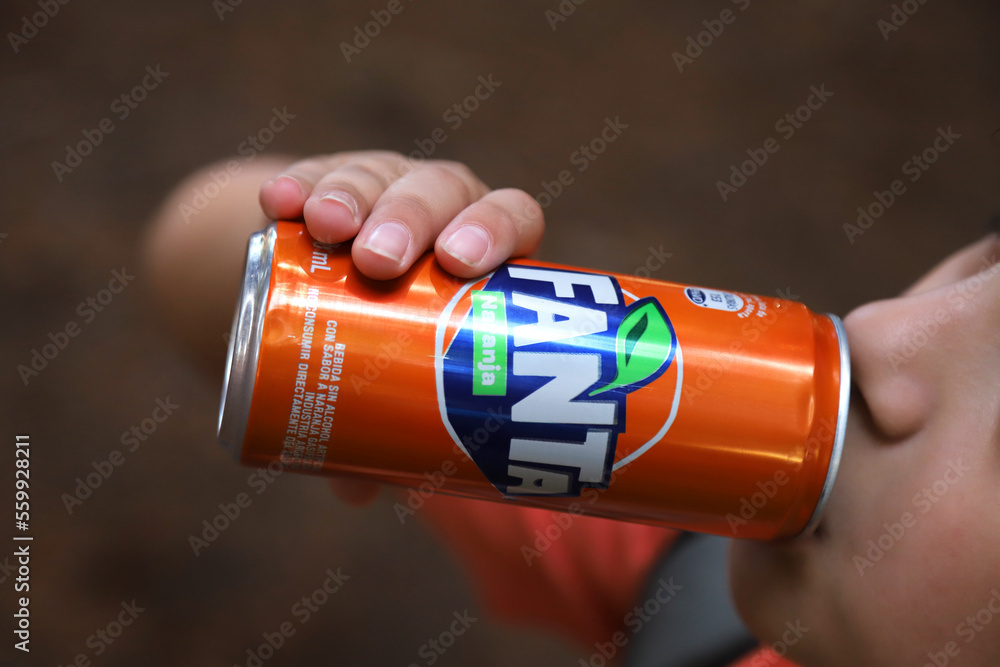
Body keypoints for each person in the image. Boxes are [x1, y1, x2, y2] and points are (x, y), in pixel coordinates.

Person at [144, 151, 1000, 667]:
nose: (883, 332)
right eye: (988, 257)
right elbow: (196, 250)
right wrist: (347, 242)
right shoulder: (693, 550)